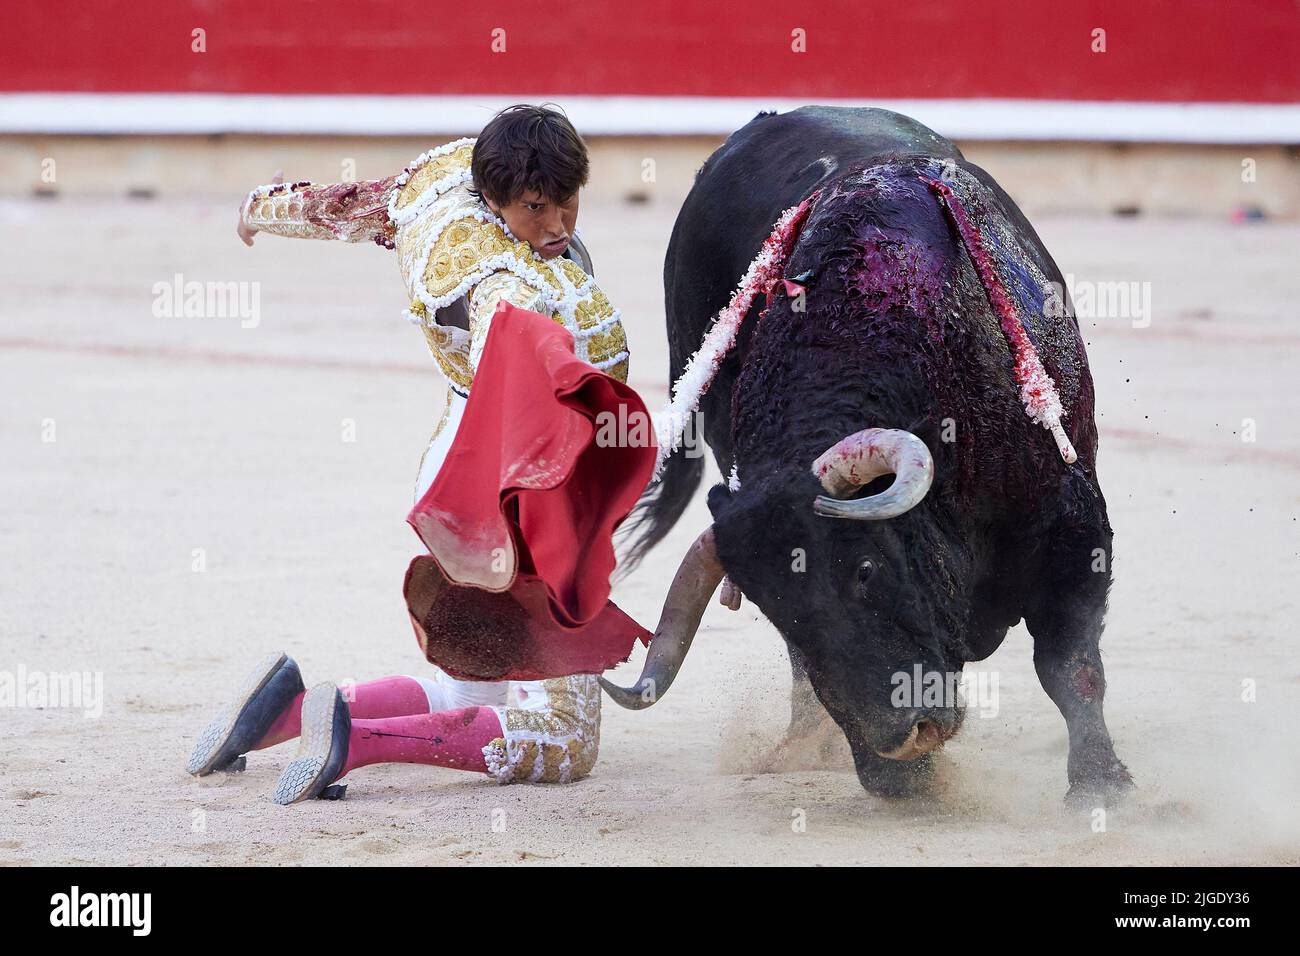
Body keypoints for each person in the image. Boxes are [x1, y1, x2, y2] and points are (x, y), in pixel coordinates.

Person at [187, 104, 635, 803]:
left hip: (456, 464)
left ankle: (288, 712)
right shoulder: (501, 285)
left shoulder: (443, 179)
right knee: (563, 742)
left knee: (467, 687)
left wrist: (260, 208)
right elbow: (513, 346)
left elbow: (347, 206)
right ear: (494, 198)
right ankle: (356, 744)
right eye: (537, 208)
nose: (557, 227)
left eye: (568, 204)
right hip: (516, 485)